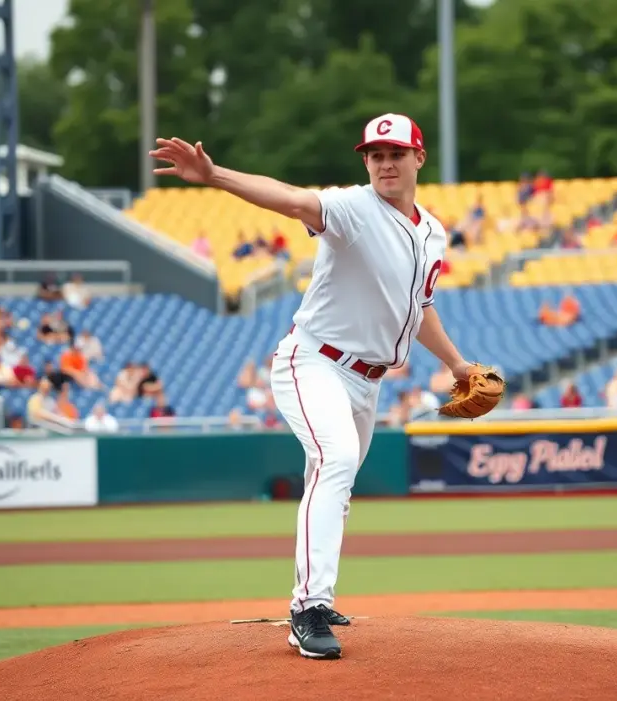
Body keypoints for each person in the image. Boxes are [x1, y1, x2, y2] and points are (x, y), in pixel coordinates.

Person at [151, 113, 473, 661]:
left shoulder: (432, 231)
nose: (385, 163)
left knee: (335, 482)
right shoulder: (353, 208)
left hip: (367, 382)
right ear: (365, 162)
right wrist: (215, 176)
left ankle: (315, 595)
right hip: (313, 363)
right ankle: (308, 608)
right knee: (338, 459)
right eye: (375, 155)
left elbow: (418, 310)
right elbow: (294, 199)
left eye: (396, 153)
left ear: (419, 158)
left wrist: (460, 367)